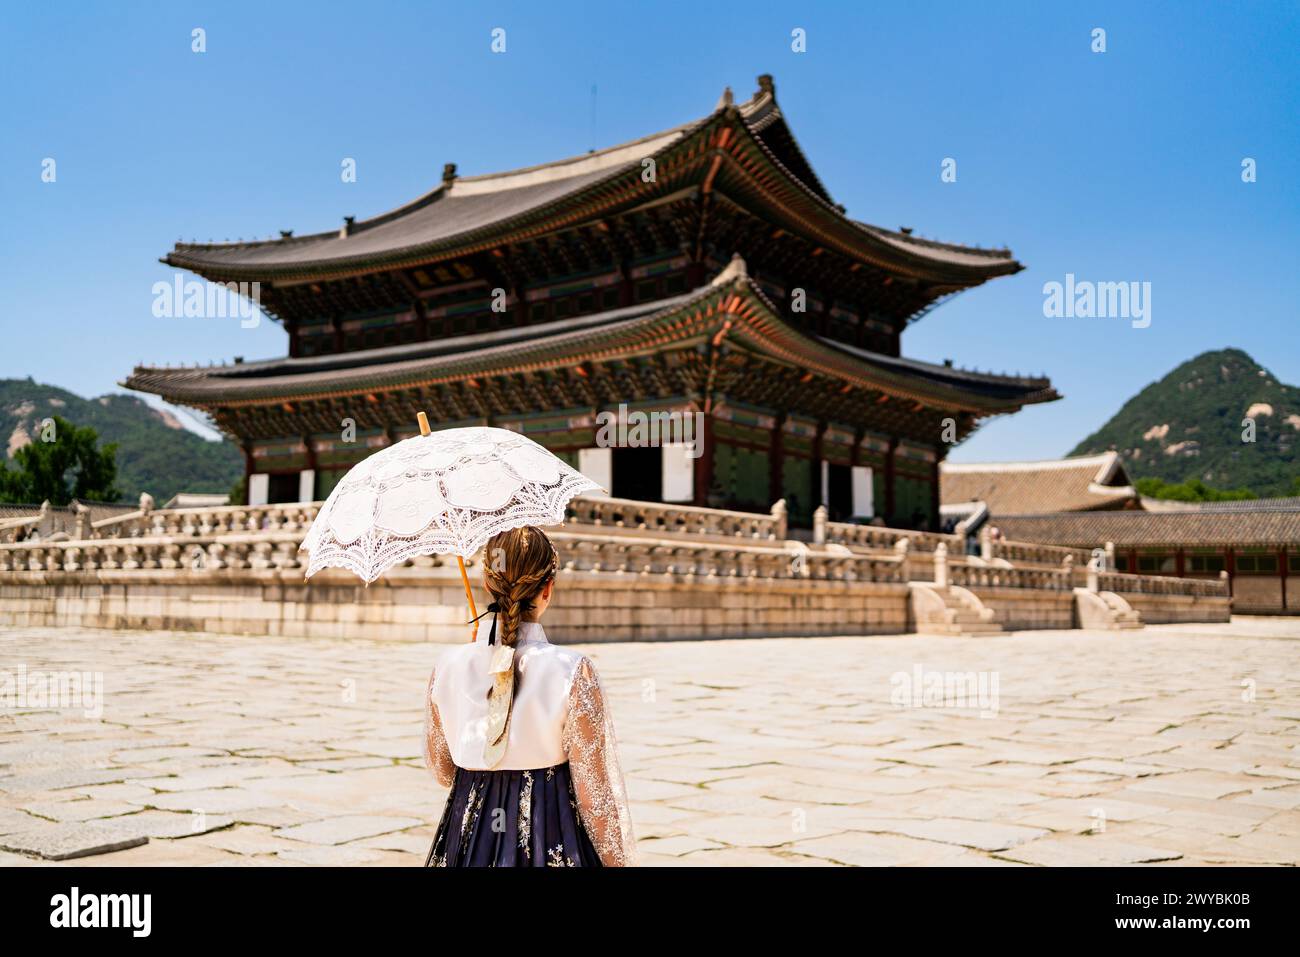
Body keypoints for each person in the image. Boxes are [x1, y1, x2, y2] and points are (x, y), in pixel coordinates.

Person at [421, 526, 636, 867]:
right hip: (548, 833)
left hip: (471, 838)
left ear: (486, 584)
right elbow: (593, 795)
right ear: (548, 588)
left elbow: (444, 771)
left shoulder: (447, 666)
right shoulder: (573, 670)